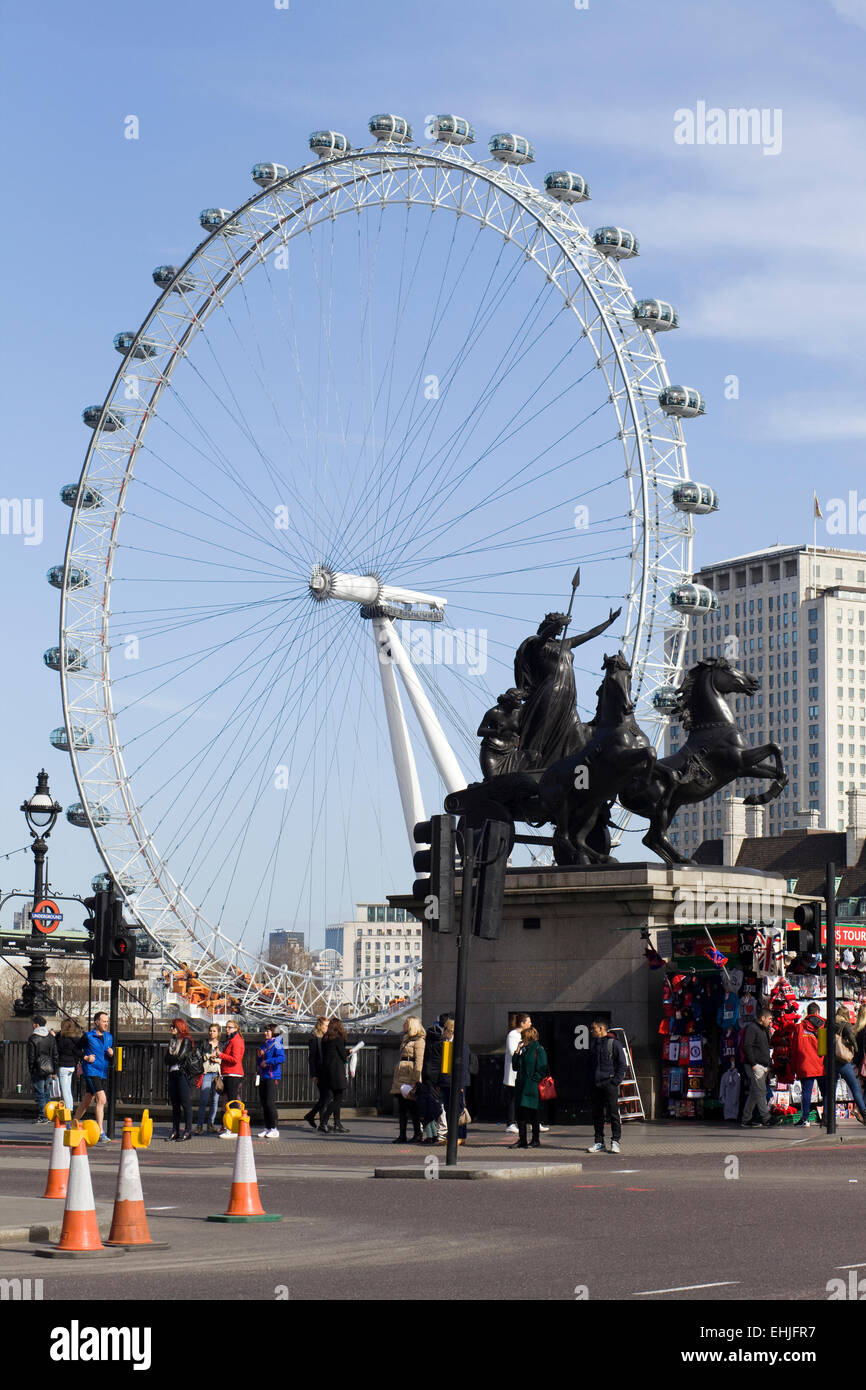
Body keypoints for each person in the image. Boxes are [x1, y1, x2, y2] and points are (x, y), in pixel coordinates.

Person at [72, 1010, 114, 1142]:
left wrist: (111, 1054)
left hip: (102, 1071)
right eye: (103, 1021)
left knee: (88, 1099)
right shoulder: (88, 1036)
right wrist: (86, 1057)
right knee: (101, 1099)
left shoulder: (109, 1037)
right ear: (96, 1022)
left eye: (107, 1021)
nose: (106, 1024)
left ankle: (72, 1124)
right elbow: (75, 1050)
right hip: (91, 1071)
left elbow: (108, 1056)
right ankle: (100, 1132)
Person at [587, 1017, 627, 1153]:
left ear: (601, 1028)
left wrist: (615, 1080)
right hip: (596, 1083)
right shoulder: (593, 1044)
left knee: (613, 1113)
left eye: (593, 1028)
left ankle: (616, 1141)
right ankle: (599, 1141)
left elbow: (622, 1064)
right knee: (597, 1114)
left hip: (609, 1082)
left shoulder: (613, 1043)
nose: (591, 1030)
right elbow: (590, 1064)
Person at [740, 1006, 780, 1129]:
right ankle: (766, 1118)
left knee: (754, 1092)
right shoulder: (752, 1028)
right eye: (769, 1019)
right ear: (762, 1018)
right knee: (761, 1091)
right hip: (755, 1065)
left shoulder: (763, 1029)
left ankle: (746, 1118)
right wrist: (753, 1064)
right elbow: (747, 1046)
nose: (770, 1021)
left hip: (761, 1065)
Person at [390, 1015, 425, 1143]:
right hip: (401, 1073)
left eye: (405, 1023)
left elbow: (419, 1061)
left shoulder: (419, 1041)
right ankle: (402, 1135)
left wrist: (415, 1080)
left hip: (410, 1074)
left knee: (413, 1107)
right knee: (402, 1108)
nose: (403, 1025)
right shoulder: (406, 1039)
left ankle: (417, 1133)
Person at [512, 1024, 548, 1148]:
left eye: (523, 1037)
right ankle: (522, 1140)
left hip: (532, 1086)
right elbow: (515, 1066)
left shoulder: (538, 1049)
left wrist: (534, 1081)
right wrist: (517, 1052)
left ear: (528, 1037)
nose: (522, 1040)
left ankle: (535, 1139)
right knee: (521, 1113)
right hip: (522, 1085)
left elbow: (542, 1069)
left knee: (534, 1114)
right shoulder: (524, 1050)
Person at [831, 1006, 866, 1126]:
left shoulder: (828, 1023)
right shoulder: (845, 1025)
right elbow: (854, 1043)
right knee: (855, 1087)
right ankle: (863, 1111)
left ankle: (827, 1117)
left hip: (830, 1060)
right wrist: (852, 1049)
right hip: (843, 1060)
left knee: (831, 1089)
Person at [793, 1003, 825, 1127]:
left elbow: (794, 1048)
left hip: (805, 1064)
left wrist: (794, 1067)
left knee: (806, 1093)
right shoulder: (822, 1026)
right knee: (825, 1092)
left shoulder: (799, 1027)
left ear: (808, 1012)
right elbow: (823, 1049)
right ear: (817, 1012)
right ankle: (827, 1118)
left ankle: (805, 1119)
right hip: (820, 1064)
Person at [441, 1015, 471, 1145]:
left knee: (459, 1109)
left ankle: (461, 1135)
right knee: (448, 1109)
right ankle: (451, 1135)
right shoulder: (446, 1043)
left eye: (445, 1029)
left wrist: (461, 1084)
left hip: (458, 1082)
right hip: (447, 1081)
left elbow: (463, 1066)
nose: (443, 1031)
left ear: (450, 1030)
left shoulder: (461, 1045)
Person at [164, 1018, 194, 1141]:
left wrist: (173, 1057)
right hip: (172, 1073)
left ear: (180, 1027)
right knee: (175, 1104)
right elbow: (166, 1060)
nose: (171, 1029)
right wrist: (173, 1057)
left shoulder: (186, 1041)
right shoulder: (172, 1041)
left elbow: (180, 1058)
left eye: (174, 1027)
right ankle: (175, 1131)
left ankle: (188, 1131)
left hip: (182, 1074)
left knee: (185, 1103)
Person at [318, 1018, 349, 1134]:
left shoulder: (325, 1039)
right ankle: (324, 1122)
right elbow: (343, 1055)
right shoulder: (338, 1039)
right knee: (338, 1098)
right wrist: (350, 1052)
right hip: (337, 1072)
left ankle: (337, 1123)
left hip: (327, 1072)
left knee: (333, 1097)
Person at [27, 1015, 58, 1124]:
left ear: (36, 1024)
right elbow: (55, 1055)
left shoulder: (33, 1037)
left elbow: (31, 1057)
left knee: (39, 1092)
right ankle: (48, 1114)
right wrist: (54, 1070)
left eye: (33, 1023)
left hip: (37, 1068)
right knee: (46, 1092)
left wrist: (31, 1069)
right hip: (49, 1068)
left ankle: (42, 1115)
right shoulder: (50, 1037)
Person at [257, 1024, 285, 1139]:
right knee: (264, 1103)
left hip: (272, 1076)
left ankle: (274, 1128)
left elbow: (281, 1058)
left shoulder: (277, 1043)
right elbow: (259, 1061)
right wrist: (260, 1058)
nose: (265, 1033)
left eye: (268, 1031)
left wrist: (267, 1061)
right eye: (265, 1031)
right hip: (263, 1075)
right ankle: (267, 1127)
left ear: (273, 1032)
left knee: (270, 1102)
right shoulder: (264, 1045)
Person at [218, 1019, 245, 1137]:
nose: (227, 1030)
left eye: (229, 1027)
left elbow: (235, 1059)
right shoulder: (231, 1040)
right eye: (226, 1027)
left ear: (236, 1029)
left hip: (233, 1074)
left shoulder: (236, 1041)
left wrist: (220, 1055)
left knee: (232, 1102)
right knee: (228, 1101)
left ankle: (233, 1128)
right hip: (228, 1073)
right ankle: (230, 1127)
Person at [503, 1013, 528, 1134]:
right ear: (522, 1023)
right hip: (513, 1072)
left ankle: (526, 1121)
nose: (530, 1024)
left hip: (520, 1072)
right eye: (528, 1022)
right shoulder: (513, 1035)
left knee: (520, 1097)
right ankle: (511, 1122)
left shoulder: (522, 1035)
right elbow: (513, 1051)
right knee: (512, 1098)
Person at [196, 1023, 222, 1134]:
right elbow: (198, 1055)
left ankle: (210, 1124)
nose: (211, 1033)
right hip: (206, 1073)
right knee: (203, 1100)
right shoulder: (204, 1043)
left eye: (214, 1031)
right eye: (210, 1030)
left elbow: (225, 1059)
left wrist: (218, 1060)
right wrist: (208, 1056)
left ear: (219, 1033)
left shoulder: (222, 1045)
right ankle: (199, 1125)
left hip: (217, 1074)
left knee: (215, 1101)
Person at [303, 1016, 328, 1131]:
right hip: (319, 1072)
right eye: (326, 1025)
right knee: (325, 1097)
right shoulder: (314, 1039)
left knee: (325, 1097)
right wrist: (313, 1074)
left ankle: (315, 1117)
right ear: (320, 1025)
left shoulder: (325, 1038)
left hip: (325, 1071)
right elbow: (312, 1058)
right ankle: (320, 1120)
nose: (327, 1028)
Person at [56, 1018, 83, 1112]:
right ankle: (70, 1107)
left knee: (64, 1090)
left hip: (63, 1065)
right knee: (68, 1089)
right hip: (71, 1066)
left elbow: (58, 1049)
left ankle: (68, 1109)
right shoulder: (76, 1039)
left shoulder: (63, 1039)